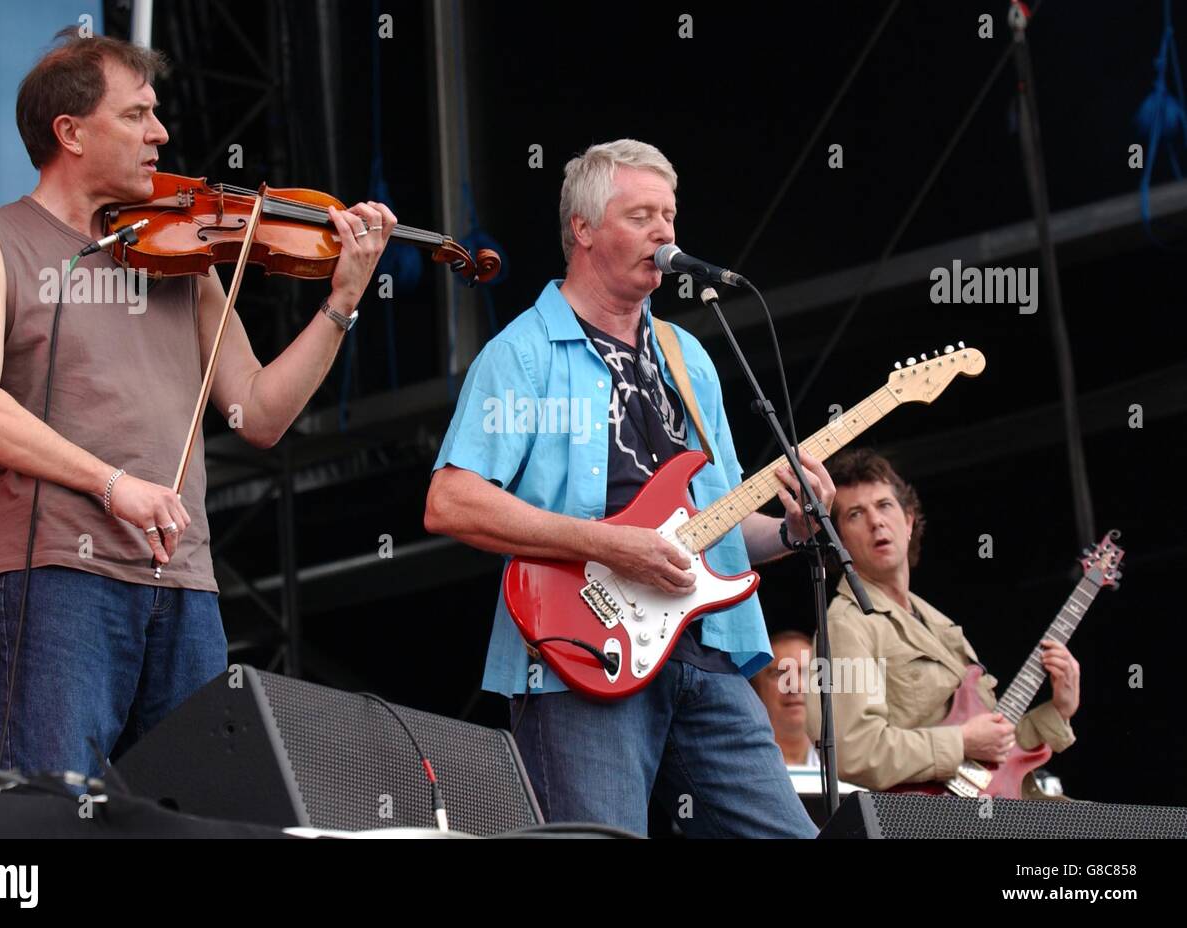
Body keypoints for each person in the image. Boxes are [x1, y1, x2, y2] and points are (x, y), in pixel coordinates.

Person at [0, 29, 395, 776]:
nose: (162, 133)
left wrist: (342, 300)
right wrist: (112, 484)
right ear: (71, 132)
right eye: (136, 115)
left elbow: (260, 413)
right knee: (57, 807)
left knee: (204, 811)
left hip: (184, 584)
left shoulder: (184, 259)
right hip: (58, 579)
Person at [424, 139, 830, 837]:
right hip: (584, 656)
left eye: (669, 215)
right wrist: (611, 545)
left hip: (707, 652)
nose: (666, 233)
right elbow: (450, 502)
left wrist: (794, 530)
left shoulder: (689, 356)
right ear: (582, 230)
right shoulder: (523, 353)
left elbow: (721, 533)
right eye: (642, 215)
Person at [804, 449, 1080, 793]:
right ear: (839, 542)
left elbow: (994, 746)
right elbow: (852, 751)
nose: (876, 521)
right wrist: (960, 741)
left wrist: (1059, 709)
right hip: (929, 818)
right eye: (856, 514)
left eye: (884, 505)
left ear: (908, 523)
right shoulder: (845, 626)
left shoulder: (939, 623)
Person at [752, 631, 821, 768]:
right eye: (780, 673)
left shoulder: (844, 763)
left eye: (805, 672)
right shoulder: (739, 762)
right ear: (756, 687)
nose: (794, 686)